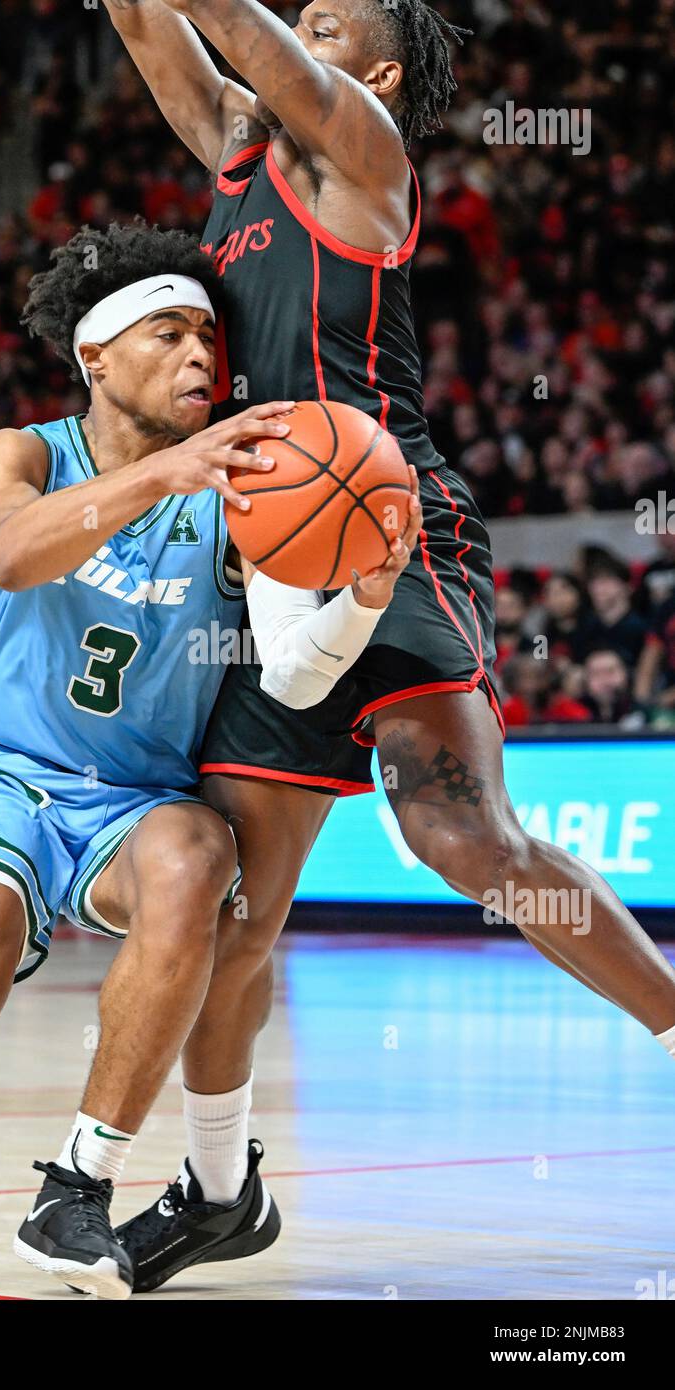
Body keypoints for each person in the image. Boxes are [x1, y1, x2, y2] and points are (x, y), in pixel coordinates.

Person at [106, 0, 675, 1292]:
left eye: (323, 16)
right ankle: (215, 1186)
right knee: (241, 911)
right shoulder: (240, 165)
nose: (296, 17)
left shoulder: (364, 152)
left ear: (368, 66)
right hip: (264, 563)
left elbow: (253, 54)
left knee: (463, 839)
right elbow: (153, 30)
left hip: (384, 518)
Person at [0, 222, 308, 1299]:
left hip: (142, 804)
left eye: (209, 343)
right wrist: (160, 475)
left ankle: (78, 1187)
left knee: (192, 860)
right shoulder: (24, 453)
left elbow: (305, 651)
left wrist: (363, 577)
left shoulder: (239, 481)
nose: (200, 361)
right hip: (17, 781)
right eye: (169, 334)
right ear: (94, 354)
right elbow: (1, 547)